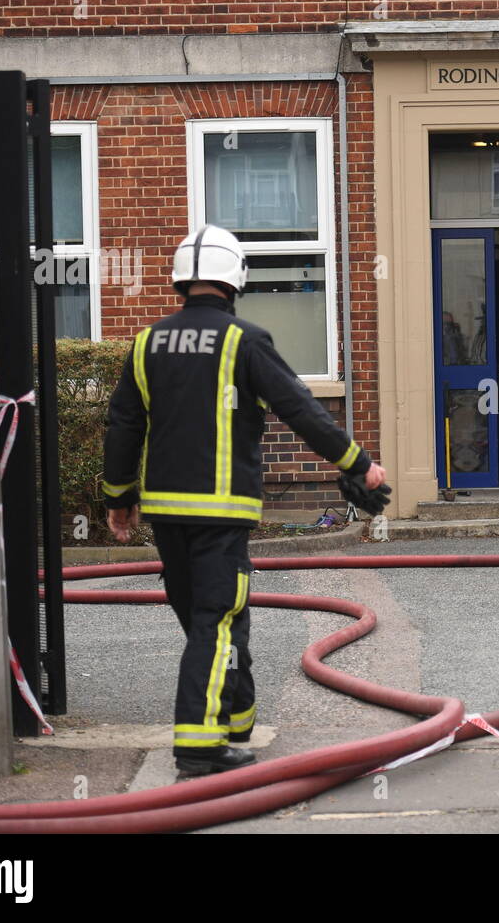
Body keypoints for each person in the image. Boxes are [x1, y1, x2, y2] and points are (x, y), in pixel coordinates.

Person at [102, 224, 390, 776]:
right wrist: (359, 465)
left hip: (165, 512)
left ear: (180, 281)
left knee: (210, 619)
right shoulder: (244, 341)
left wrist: (119, 499)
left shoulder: (146, 342)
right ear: (236, 280)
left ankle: (237, 720)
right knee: (218, 616)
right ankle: (198, 748)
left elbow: (122, 426)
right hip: (221, 512)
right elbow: (301, 408)